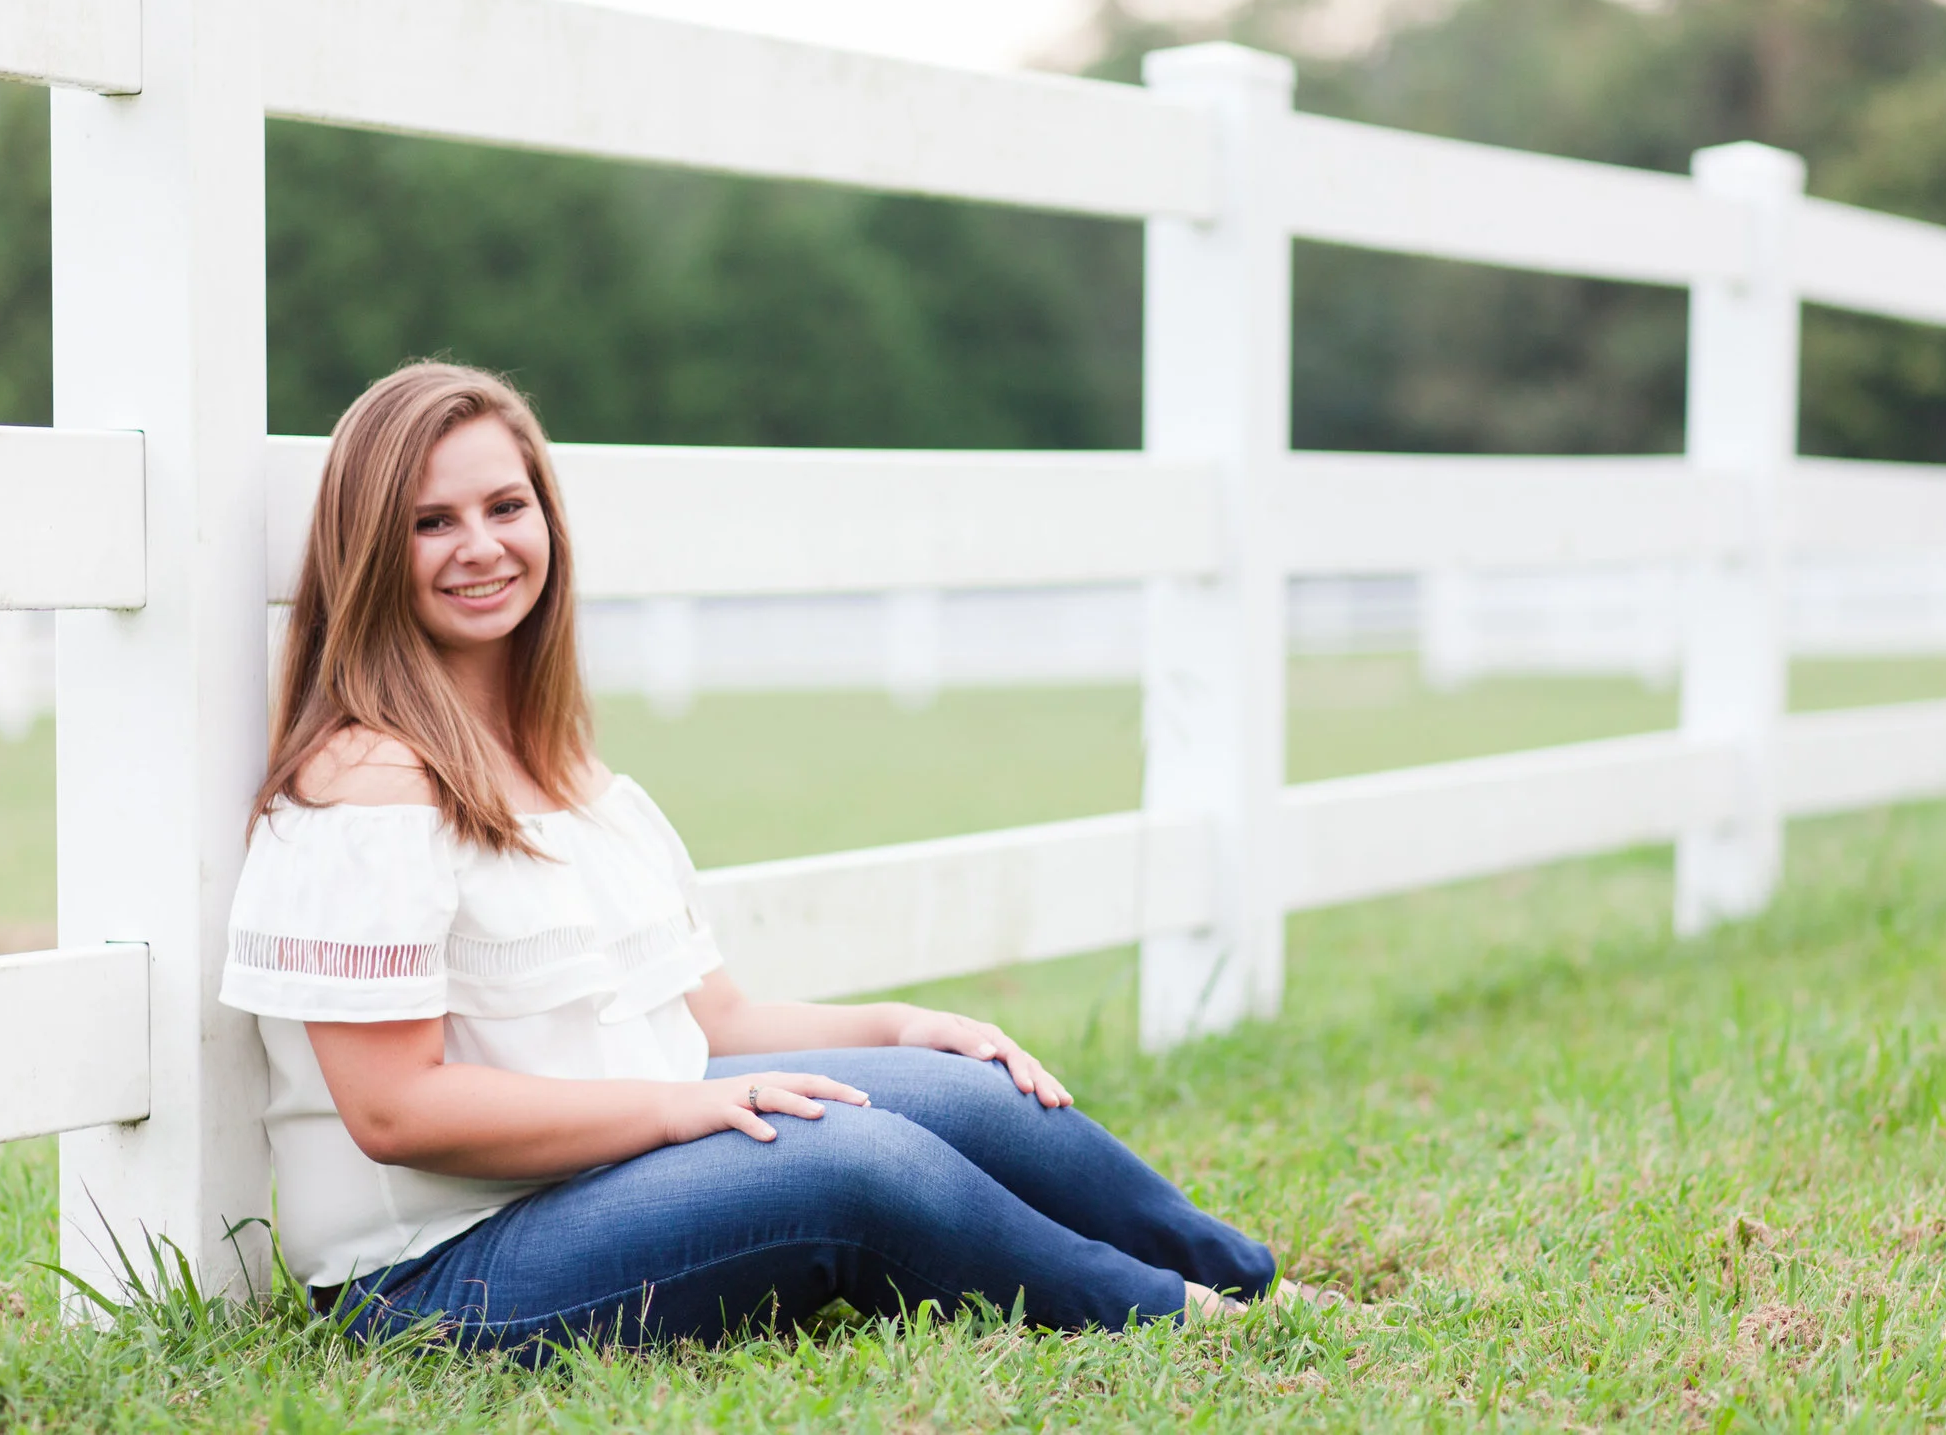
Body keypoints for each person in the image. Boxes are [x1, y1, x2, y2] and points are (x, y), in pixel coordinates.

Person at [218, 362, 1297, 1354]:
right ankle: (1177, 1318)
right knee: (850, 1163)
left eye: (507, 505)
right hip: (441, 1272)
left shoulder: (566, 773)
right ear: (368, 551)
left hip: (601, 1167)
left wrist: (904, 1028)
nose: (483, 544)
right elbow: (395, 1110)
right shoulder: (368, 787)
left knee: (958, 1093)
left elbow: (713, 1023)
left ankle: (1255, 1285)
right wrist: (676, 1112)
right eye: (429, 522)